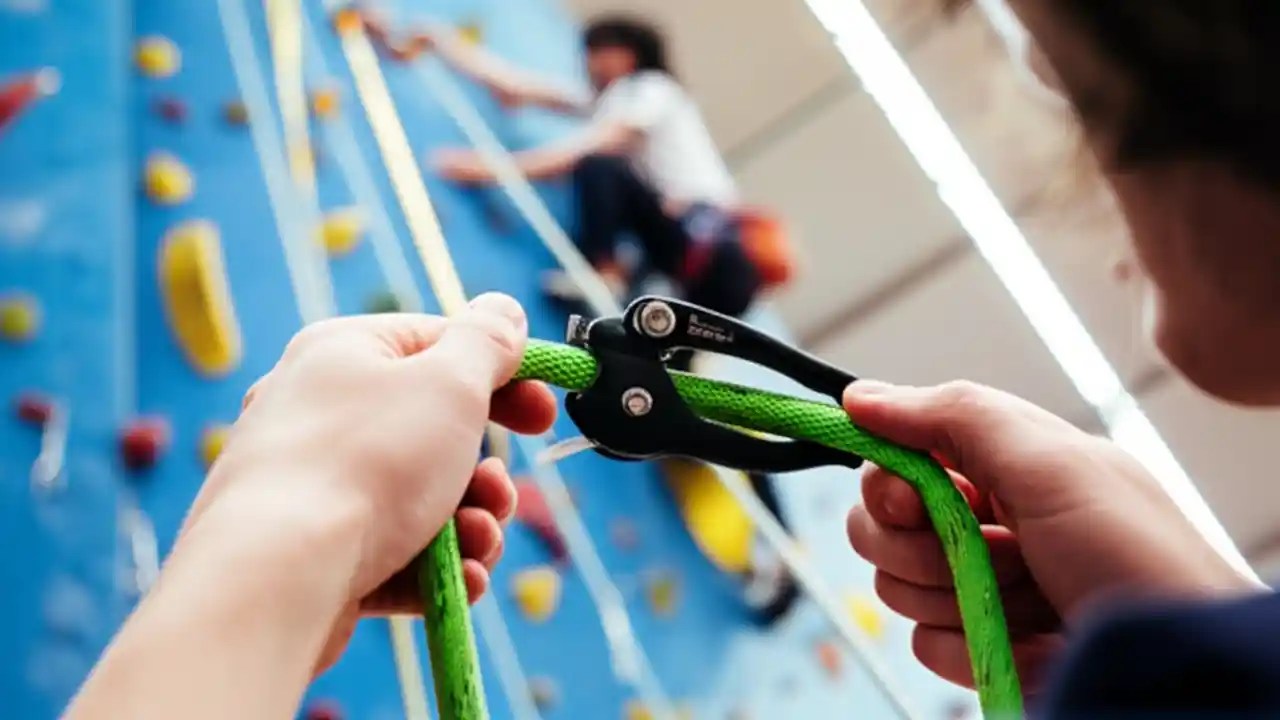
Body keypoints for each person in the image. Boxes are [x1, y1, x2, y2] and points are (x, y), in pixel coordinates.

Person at [66, 2, 1280, 718]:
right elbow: (535, 93)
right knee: (718, 397)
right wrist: (1184, 624)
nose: (1103, 223)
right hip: (674, 274)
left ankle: (602, 303)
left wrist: (282, 532)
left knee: (621, 235)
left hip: (691, 261)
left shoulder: (643, 101)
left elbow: (582, 140)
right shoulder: (1183, 660)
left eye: (1086, 109)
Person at [363, 11, 790, 319]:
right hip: (693, 265)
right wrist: (437, 40)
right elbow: (517, 88)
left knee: (598, 166)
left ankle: (604, 275)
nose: (587, 66)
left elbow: (583, 154)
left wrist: (487, 170)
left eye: (594, 54)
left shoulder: (649, 90)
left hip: (716, 259)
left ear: (623, 55)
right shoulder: (613, 101)